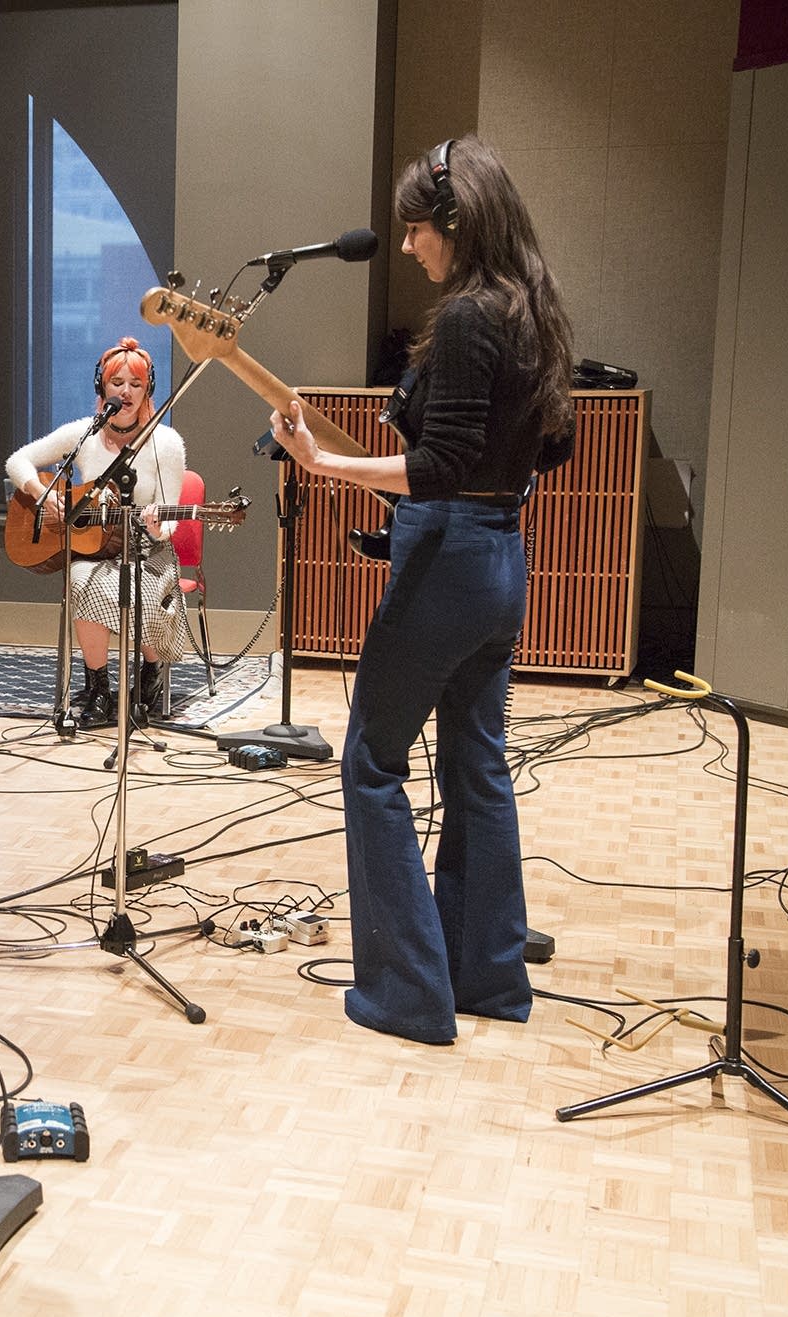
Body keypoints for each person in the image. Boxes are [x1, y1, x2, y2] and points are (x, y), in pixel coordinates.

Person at [269, 135, 574, 1045]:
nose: (406, 247)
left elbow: (438, 464)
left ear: (456, 222)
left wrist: (322, 460)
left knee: (369, 758)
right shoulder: (533, 308)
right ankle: (489, 977)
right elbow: (552, 447)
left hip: (449, 557)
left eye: (415, 230)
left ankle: (407, 992)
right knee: (476, 766)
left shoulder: (474, 316)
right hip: (499, 563)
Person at [6, 336, 188, 727]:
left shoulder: (166, 442)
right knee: (80, 576)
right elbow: (16, 460)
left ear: (147, 390)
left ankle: (151, 669)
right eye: (117, 383)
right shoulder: (83, 434)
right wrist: (39, 492)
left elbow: (171, 520)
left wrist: (159, 527)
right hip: (96, 553)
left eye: (136, 385)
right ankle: (99, 687)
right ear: (102, 387)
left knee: (124, 584)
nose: (126, 392)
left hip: (148, 553)